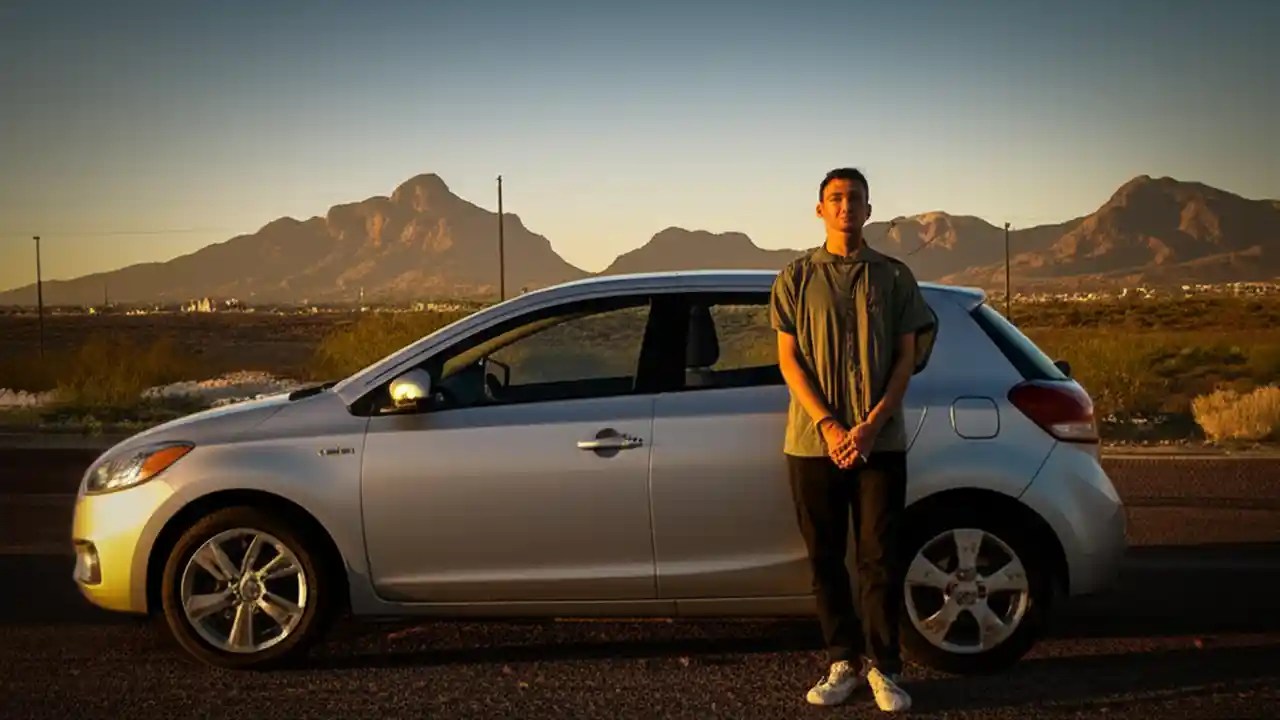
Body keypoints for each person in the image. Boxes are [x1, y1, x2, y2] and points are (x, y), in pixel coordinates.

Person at [769, 167, 936, 713]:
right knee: (824, 555)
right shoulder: (794, 277)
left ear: (868, 210)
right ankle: (842, 661)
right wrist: (830, 425)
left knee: (879, 558)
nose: (845, 207)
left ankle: (886, 668)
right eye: (835, 198)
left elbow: (905, 358)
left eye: (854, 199)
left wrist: (869, 425)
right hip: (812, 443)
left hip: (878, 444)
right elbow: (789, 362)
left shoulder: (893, 277)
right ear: (819, 209)